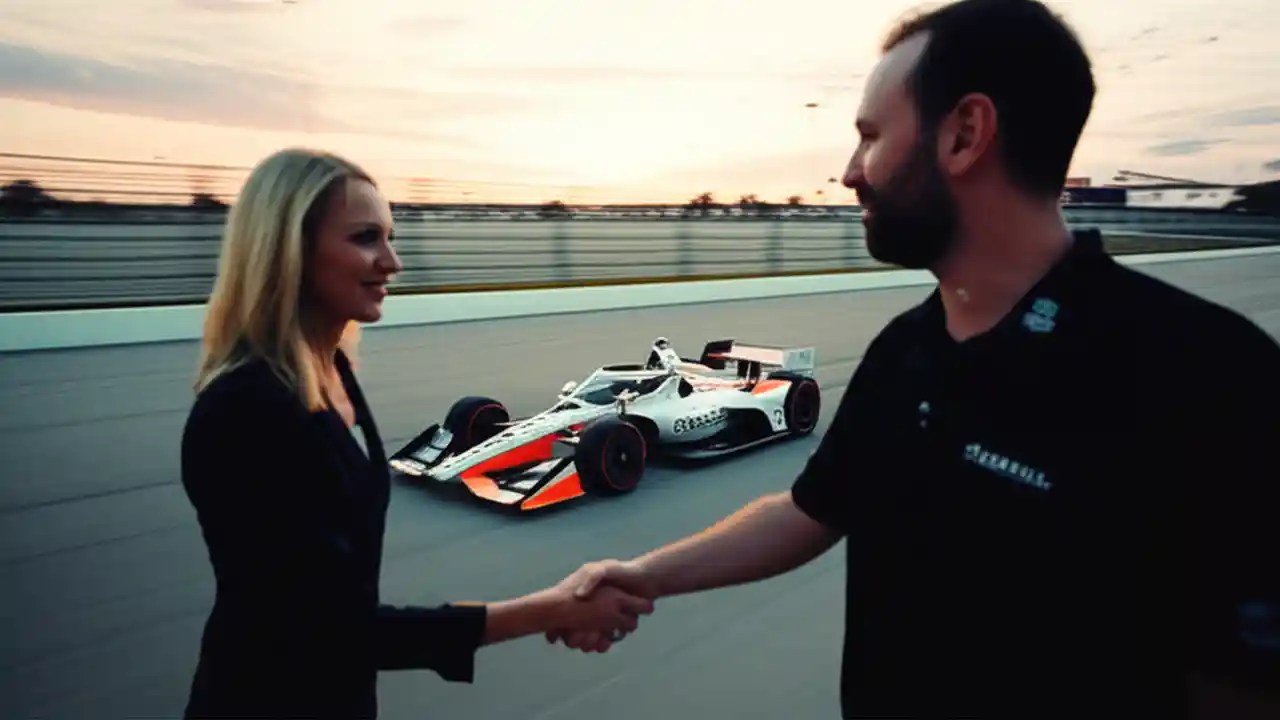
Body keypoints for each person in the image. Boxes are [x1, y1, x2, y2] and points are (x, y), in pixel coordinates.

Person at [550, 0, 1280, 717]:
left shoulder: (1213, 376)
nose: (849, 172)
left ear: (964, 134)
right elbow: (812, 511)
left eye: (870, 136)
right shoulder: (905, 350)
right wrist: (642, 574)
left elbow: (1243, 687)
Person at [180, 147, 653, 719]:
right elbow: (326, 630)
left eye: (391, 236)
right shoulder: (244, 412)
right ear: (289, 251)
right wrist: (550, 609)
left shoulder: (334, 372)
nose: (392, 262)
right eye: (365, 238)